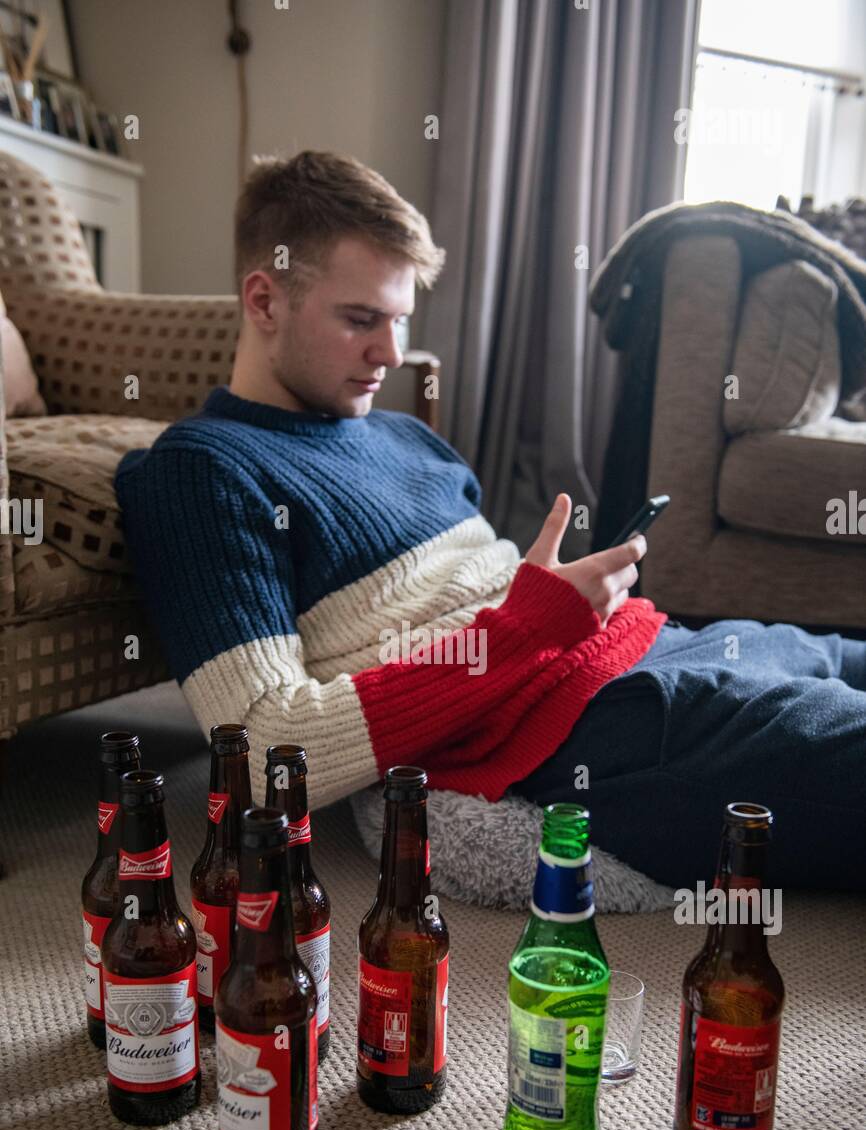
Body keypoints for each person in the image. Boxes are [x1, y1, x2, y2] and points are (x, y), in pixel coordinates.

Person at [115, 151, 866, 891]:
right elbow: (262, 748)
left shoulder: (406, 435)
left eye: (401, 319)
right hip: (589, 729)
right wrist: (524, 628)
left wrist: (554, 603)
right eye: (360, 319)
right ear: (264, 300)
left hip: (658, 645)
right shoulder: (201, 471)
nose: (392, 352)